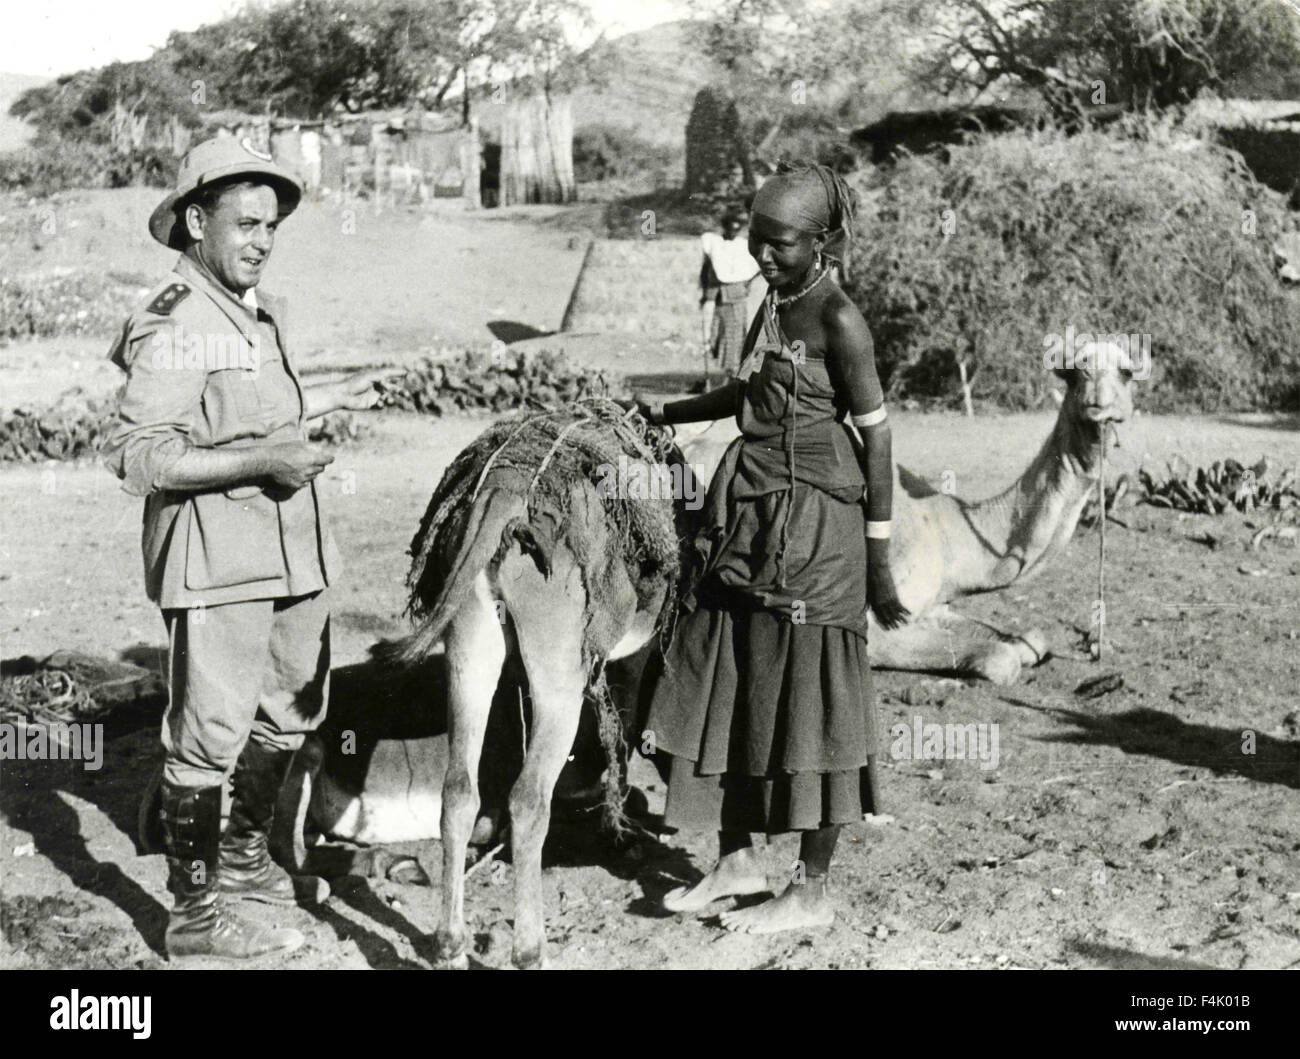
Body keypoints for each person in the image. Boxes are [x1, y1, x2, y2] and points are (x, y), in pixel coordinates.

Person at [103, 136, 395, 962]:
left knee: (291, 711)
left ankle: (243, 859)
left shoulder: (257, 311)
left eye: (271, 224)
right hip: (219, 557)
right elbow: (140, 455)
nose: (261, 239)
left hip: (292, 551)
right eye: (244, 222)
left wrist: (332, 396)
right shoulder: (177, 319)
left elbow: (251, 409)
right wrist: (265, 460)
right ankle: (194, 914)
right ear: (197, 221)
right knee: (208, 733)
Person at [639, 162, 909, 934]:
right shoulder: (773, 301)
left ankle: (811, 888)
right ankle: (735, 856)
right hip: (750, 524)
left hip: (820, 538)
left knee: (813, 707)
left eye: (780, 244)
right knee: (722, 676)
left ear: (822, 241)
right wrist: (666, 410)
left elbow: (878, 435)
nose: (763, 256)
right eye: (757, 241)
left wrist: (880, 559)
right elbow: (746, 390)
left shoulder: (840, 319)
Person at [699, 205, 761, 379]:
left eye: (736, 229)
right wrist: (705, 293)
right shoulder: (714, 244)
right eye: (729, 229)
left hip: (736, 297)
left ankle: (734, 372)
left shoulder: (742, 247)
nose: (732, 233)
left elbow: (754, 268)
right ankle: (726, 373)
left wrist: (746, 284)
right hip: (718, 297)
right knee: (717, 333)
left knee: (735, 334)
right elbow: (707, 270)